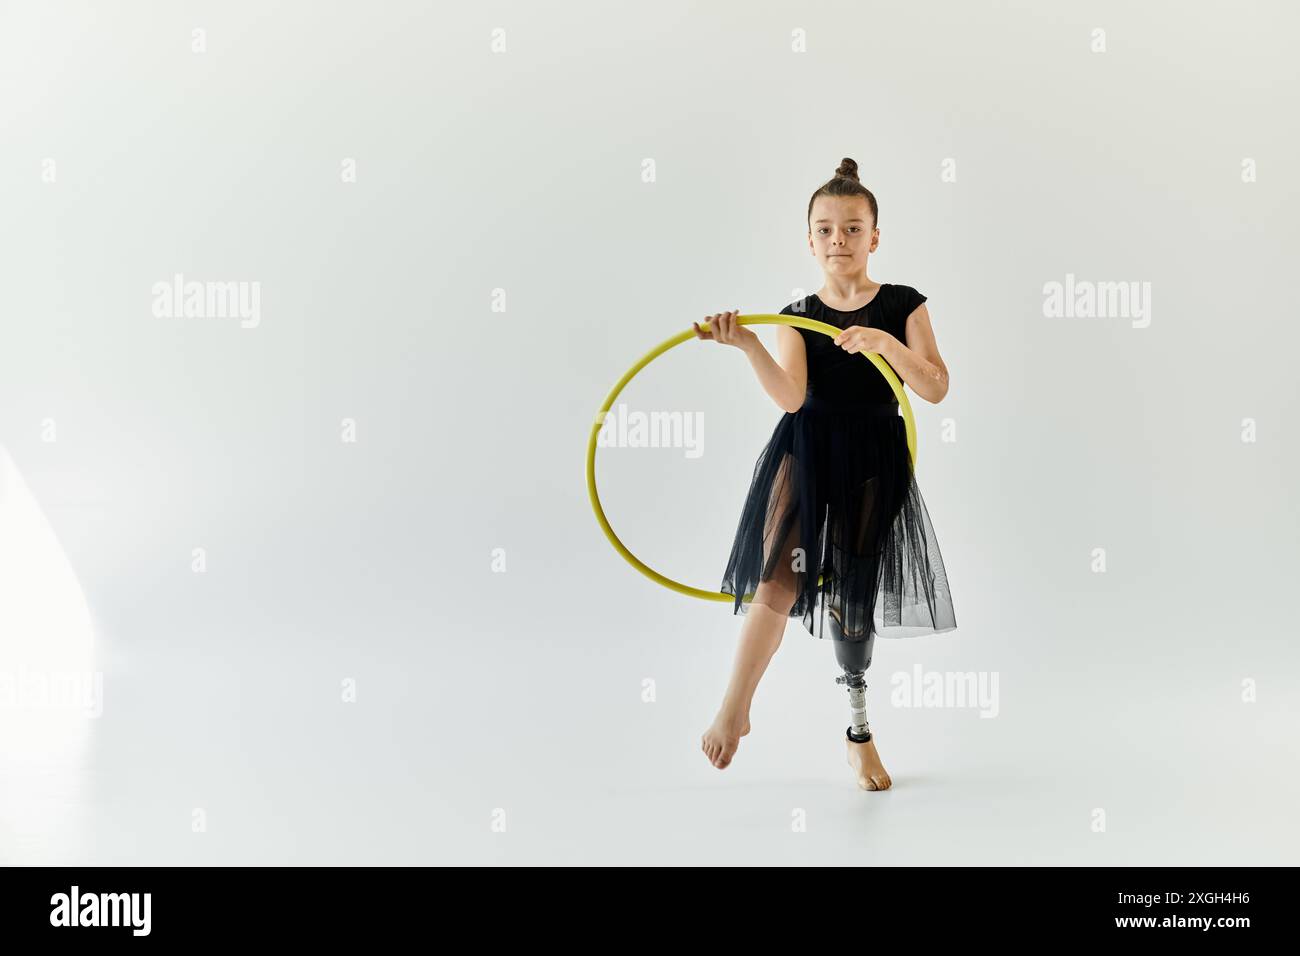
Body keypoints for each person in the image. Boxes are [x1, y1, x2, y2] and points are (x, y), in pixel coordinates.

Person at [695, 157, 957, 789]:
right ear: (808, 239)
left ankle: (858, 732)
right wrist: (749, 344)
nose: (838, 240)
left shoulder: (902, 303)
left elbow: (937, 388)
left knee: (854, 604)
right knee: (778, 581)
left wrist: (886, 345)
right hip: (806, 451)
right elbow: (790, 396)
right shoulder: (798, 312)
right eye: (825, 229)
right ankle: (737, 705)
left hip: (873, 456)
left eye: (852, 227)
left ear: (874, 236)